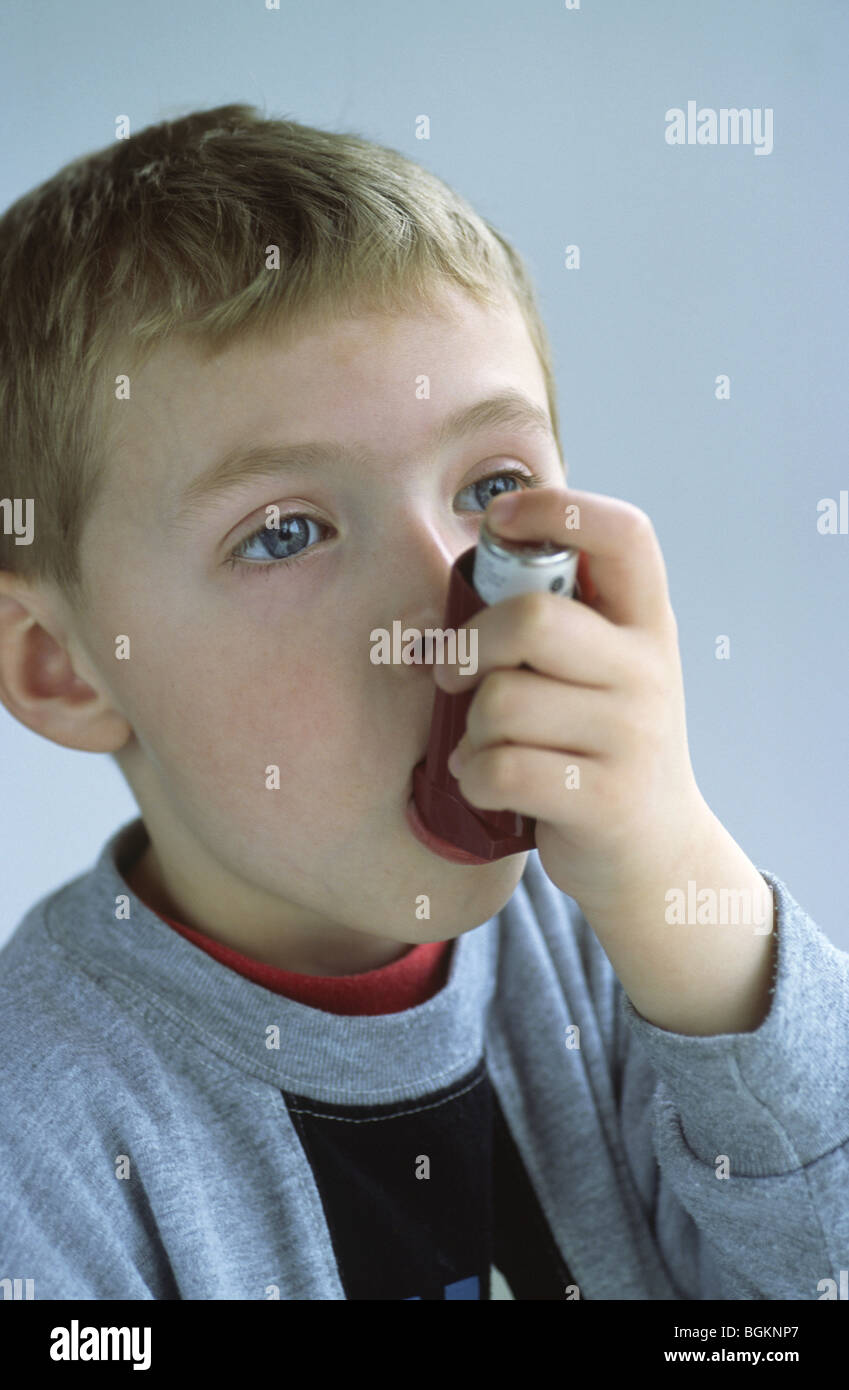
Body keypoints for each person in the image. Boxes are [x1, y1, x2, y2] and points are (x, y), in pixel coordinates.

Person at [0, 104, 845, 1300]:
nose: (445, 612)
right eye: (285, 532)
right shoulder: (40, 1134)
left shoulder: (630, 963)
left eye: (491, 486)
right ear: (60, 665)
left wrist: (678, 887)